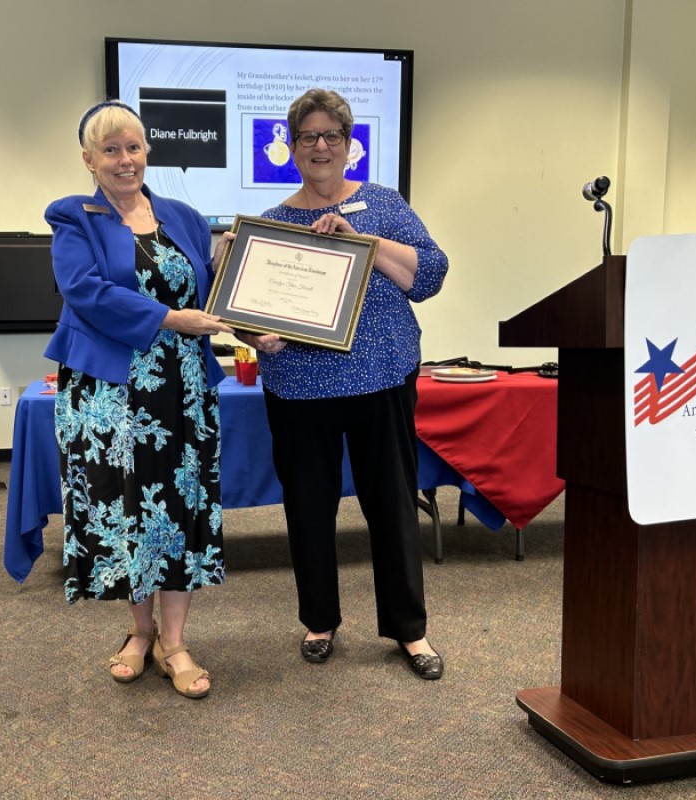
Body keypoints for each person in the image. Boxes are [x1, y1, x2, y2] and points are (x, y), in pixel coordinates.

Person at [238, 88, 449, 680]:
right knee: (308, 509)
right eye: (308, 137)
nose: (321, 146)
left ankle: (410, 630)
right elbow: (251, 318)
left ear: (350, 145)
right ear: (292, 148)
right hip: (299, 386)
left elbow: (429, 273)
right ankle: (319, 620)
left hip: (381, 377)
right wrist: (256, 337)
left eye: (333, 135)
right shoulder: (273, 225)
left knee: (392, 507)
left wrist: (365, 243)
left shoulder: (382, 204)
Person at [45, 100, 234, 699]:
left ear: (147, 151)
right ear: (89, 160)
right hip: (110, 393)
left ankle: (173, 642)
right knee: (126, 510)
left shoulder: (183, 214)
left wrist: (240, 281)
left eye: (133, 147)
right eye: (110, 150)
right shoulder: (75, 217)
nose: (124, 160)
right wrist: (170, 318)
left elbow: (214, 289)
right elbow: (85, 292)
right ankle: (139, 631)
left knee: (177, 508)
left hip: (183, 388)